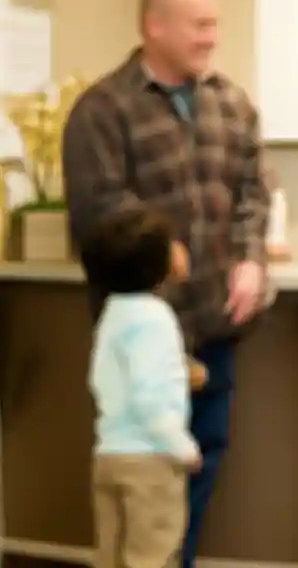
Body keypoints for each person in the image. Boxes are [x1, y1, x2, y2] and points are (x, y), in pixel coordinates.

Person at [62, 0, 271, 568]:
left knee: (201, 459)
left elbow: (255, 192)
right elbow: (99, 211)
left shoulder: (232, 103)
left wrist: (251, 260)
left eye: (215, 24)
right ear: (155, 27)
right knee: (143, 480)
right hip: (142, 339)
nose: (213, 37)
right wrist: (166, 251)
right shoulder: (103, 110)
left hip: (215, 328)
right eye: (200, 25)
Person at [84, 208, 201, 568]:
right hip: (150, 462)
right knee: (152, 556)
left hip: (109, 456)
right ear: (158, 265)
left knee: (112, 556)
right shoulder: (155, 317)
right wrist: (182, 447)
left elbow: (105, 377)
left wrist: (183, 372)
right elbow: (149, 397)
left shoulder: (113, 313)